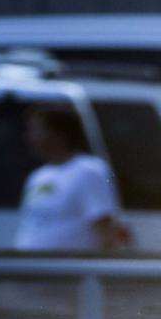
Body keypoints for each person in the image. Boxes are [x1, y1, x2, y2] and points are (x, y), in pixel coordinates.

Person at [15, 106, 131, 251]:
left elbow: (104, 227)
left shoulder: (89, 171)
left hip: (72, 270)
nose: (29, 137)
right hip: (33, 269)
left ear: (59, 134)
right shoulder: (38, 176)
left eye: (36, 130)